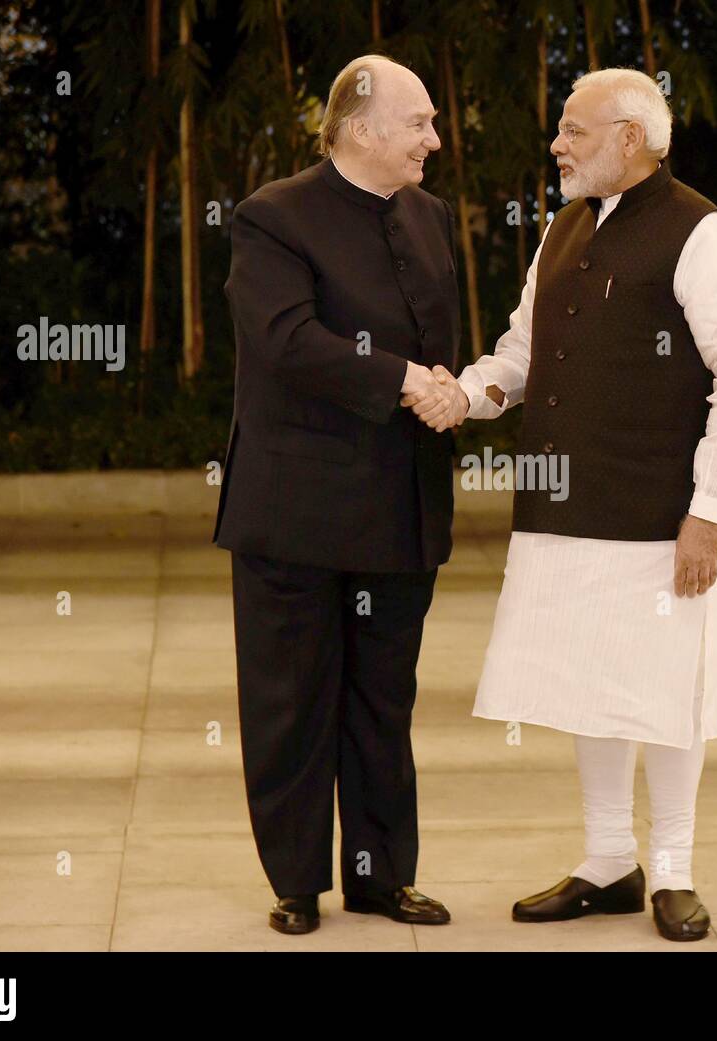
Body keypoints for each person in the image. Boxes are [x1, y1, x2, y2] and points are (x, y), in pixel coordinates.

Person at [405, 67, 717, 942]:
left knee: (668, 690)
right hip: (562, 509)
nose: (558, 144)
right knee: (589, 685)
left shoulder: (702, 232)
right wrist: (474, 392)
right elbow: (525, 351)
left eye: (573, 130)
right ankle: (610, 859)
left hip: (660, 515)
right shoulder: (563, 230)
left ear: (628, 139)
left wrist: (708, 511)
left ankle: (675, 870)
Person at [215, 54, 460, 935]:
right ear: (361, 129)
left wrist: (448, 388)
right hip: (297, 513)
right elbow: (287, 341)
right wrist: (404, 380)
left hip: (400, 508)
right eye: (420, 122)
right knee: (291, 704)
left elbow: (443, 342)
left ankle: (382, 877)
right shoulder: (272, 217)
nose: (435, 138)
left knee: (383, 703)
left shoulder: (431, 217)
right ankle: (295, 882)